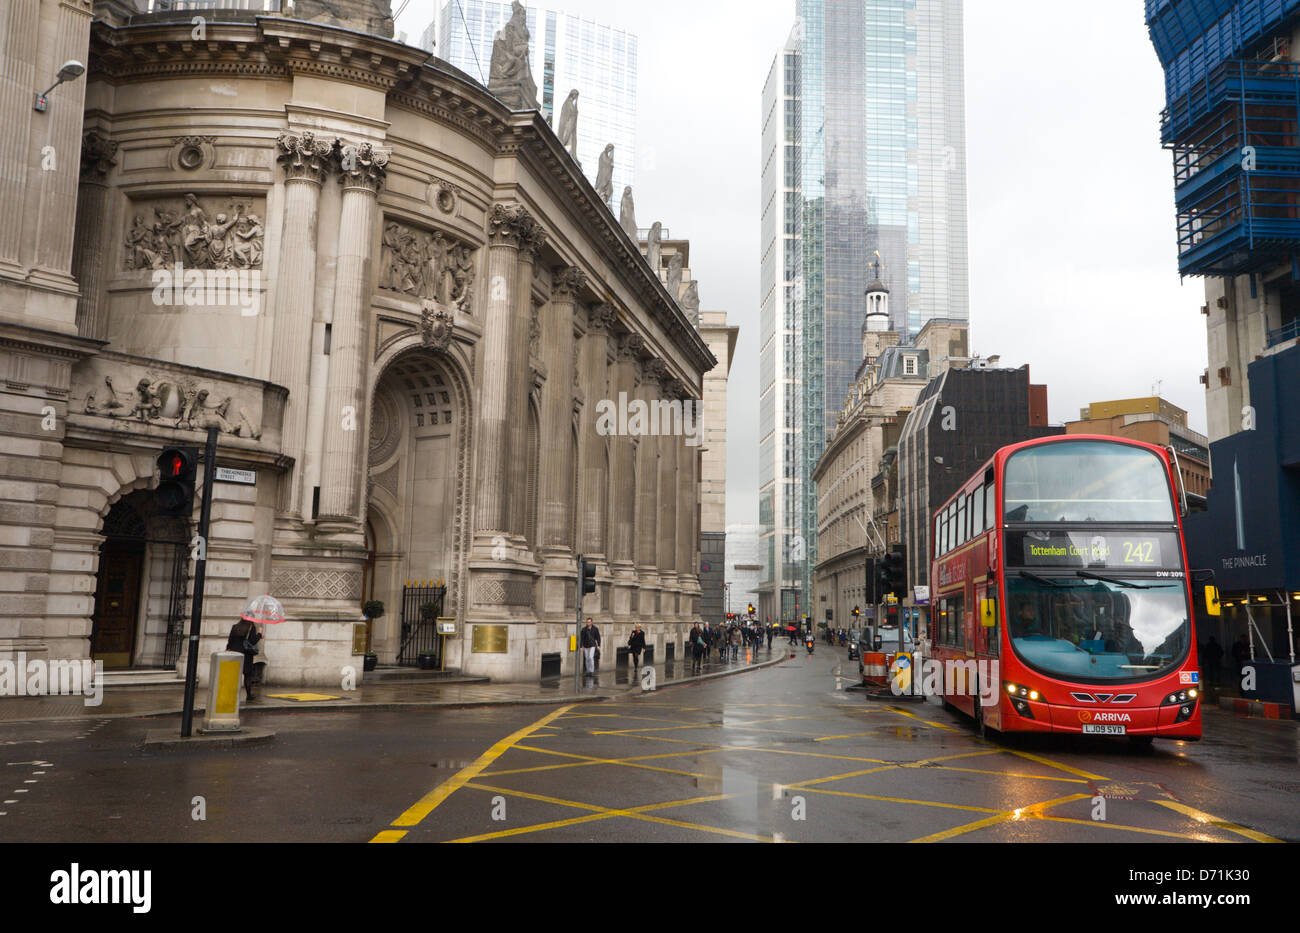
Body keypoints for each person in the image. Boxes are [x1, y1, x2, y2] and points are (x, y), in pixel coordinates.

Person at [226, 615, 262, 702]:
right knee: (247, 676)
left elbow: (230, 640)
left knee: (234, 675)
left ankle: (230, 694)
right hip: (246, 654)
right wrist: (260, 634)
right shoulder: (251, 627)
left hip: (234, 653)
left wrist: (228, 649)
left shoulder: (235, 627)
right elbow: (252, 641)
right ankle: (249, 695)